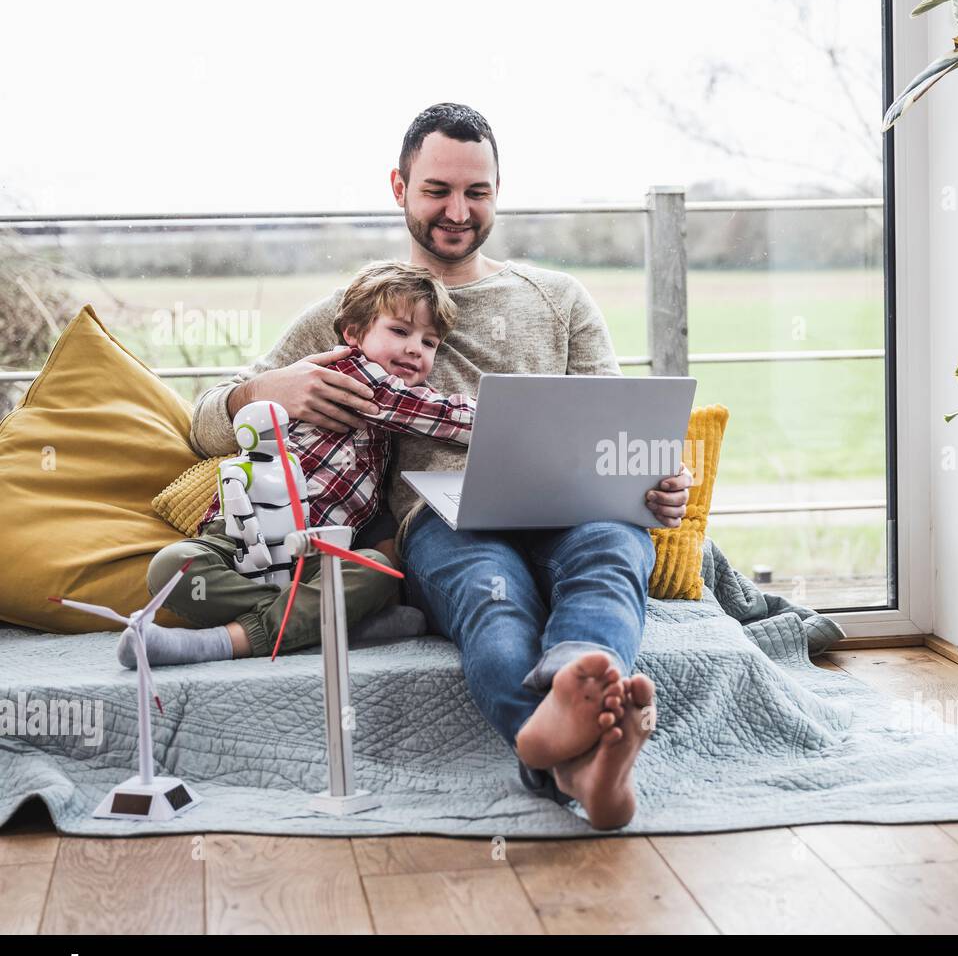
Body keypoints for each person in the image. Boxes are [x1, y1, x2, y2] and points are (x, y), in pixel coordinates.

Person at [188, 103, 691, 830]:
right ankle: (580, 762)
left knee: (613, 551)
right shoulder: (354, 309)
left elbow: (615, 427)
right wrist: (267, 389)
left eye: (477, 193)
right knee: (493, 605)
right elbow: (202, 422)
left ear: (497, 192)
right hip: (446, 522)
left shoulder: (559, 299)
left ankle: (570, 717)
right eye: (437, 191)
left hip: (574, 506)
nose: (458, 211)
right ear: (399, 188)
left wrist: (653, 483)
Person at [125, 260, 480, 669]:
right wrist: (507, 415)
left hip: (316, 550)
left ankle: (245, 636)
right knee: (172, 568)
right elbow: (445, 415)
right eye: (400, 331)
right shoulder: (358, 374)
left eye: (430, 342)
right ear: (353, 334)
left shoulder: (392, 412)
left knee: (380, 571)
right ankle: (329, 619)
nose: (415, 348)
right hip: (244, 536)